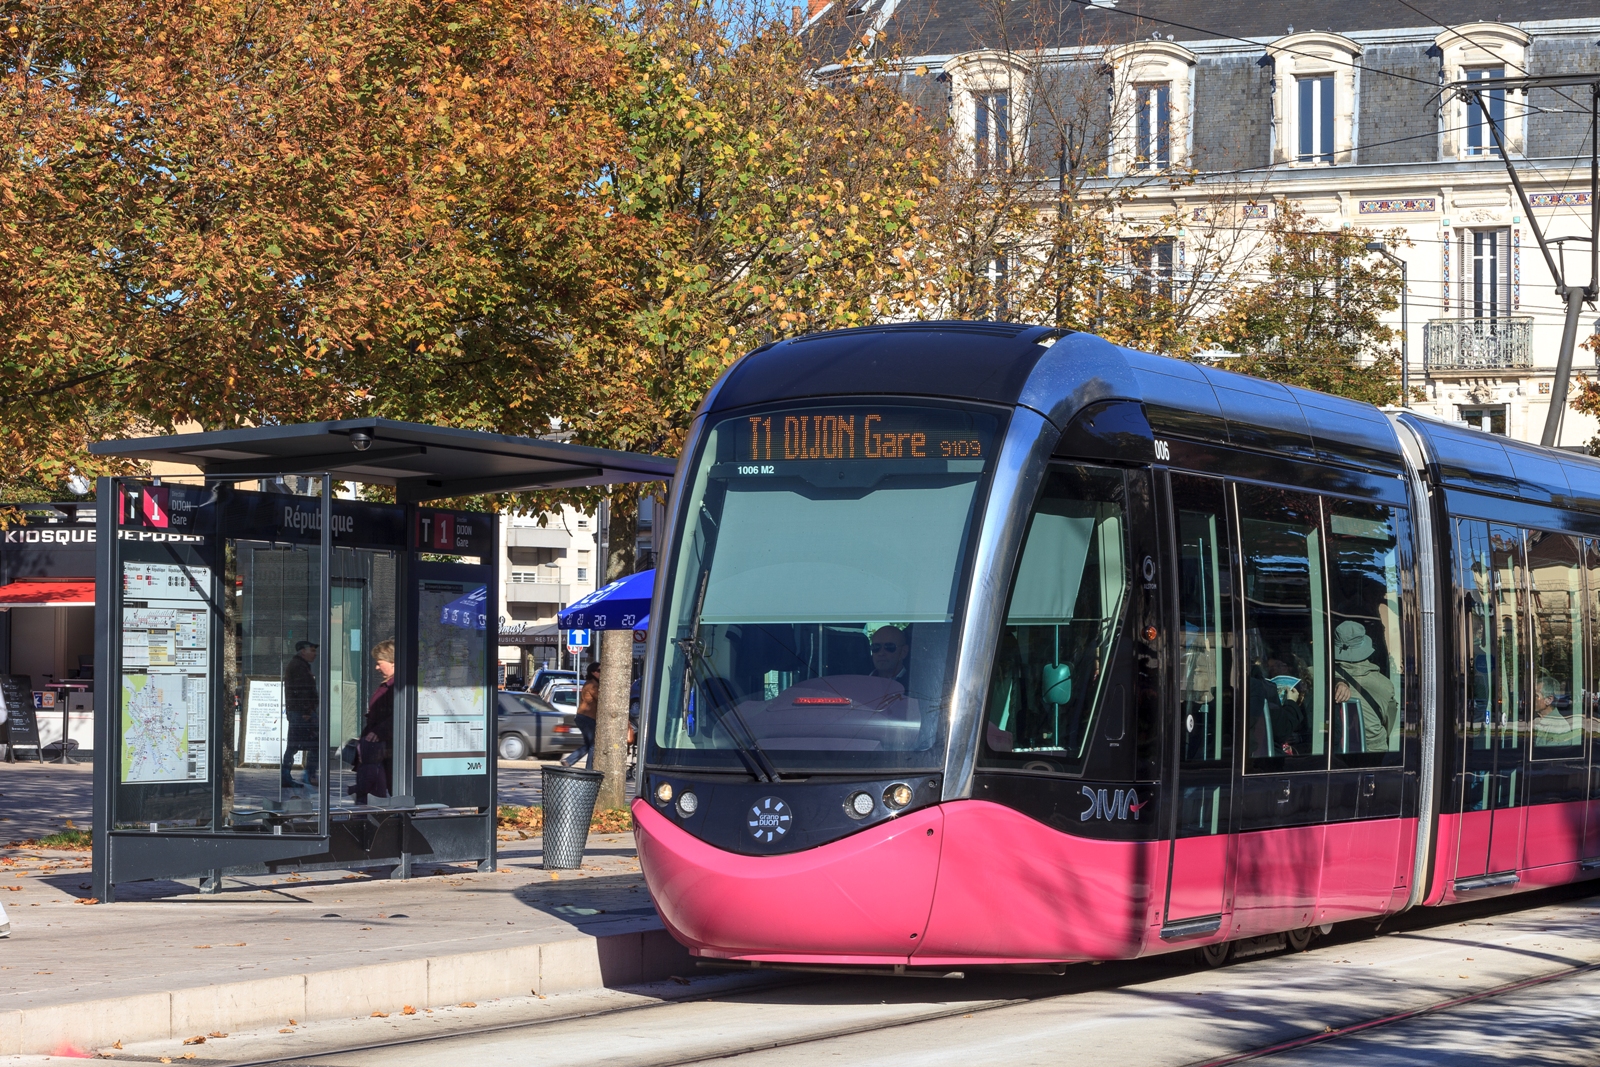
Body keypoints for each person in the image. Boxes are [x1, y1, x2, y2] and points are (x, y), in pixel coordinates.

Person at [1332, 619, 1398, 754]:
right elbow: (1391, 724)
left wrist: (1337, 680)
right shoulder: (1385, 685)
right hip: (1374, 753)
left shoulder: (1320, 674)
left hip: (1333, 751)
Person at [352, 639, 395, 803]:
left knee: (376, 787)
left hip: (384, 746)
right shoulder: (388, 684)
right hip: (379, 745)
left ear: (392, 661)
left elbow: (398, 714)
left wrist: (379, 732)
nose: (377, 667)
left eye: (379, 663)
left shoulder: (394, 686)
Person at [281, 640, 319, 789]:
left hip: (301, 712)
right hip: (302, 713)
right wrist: (306, 711)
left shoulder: (301, 666)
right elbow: (301, 691)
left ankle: (299, 775)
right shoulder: (298, 667)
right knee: (312, 744)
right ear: (303, 651)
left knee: (296, 745)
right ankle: (307, 775)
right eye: (312, 650)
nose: (315, 654)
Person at [562, 663, 599, 769]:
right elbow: (600, 698)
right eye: (599, 671)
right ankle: (589, 769)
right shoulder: (592, 685)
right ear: (593, 672)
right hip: (587, 718)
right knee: (593, 745)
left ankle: (569, 761)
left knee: (589, 744)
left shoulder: (593, 683)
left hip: (585, 717)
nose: (601, 673)